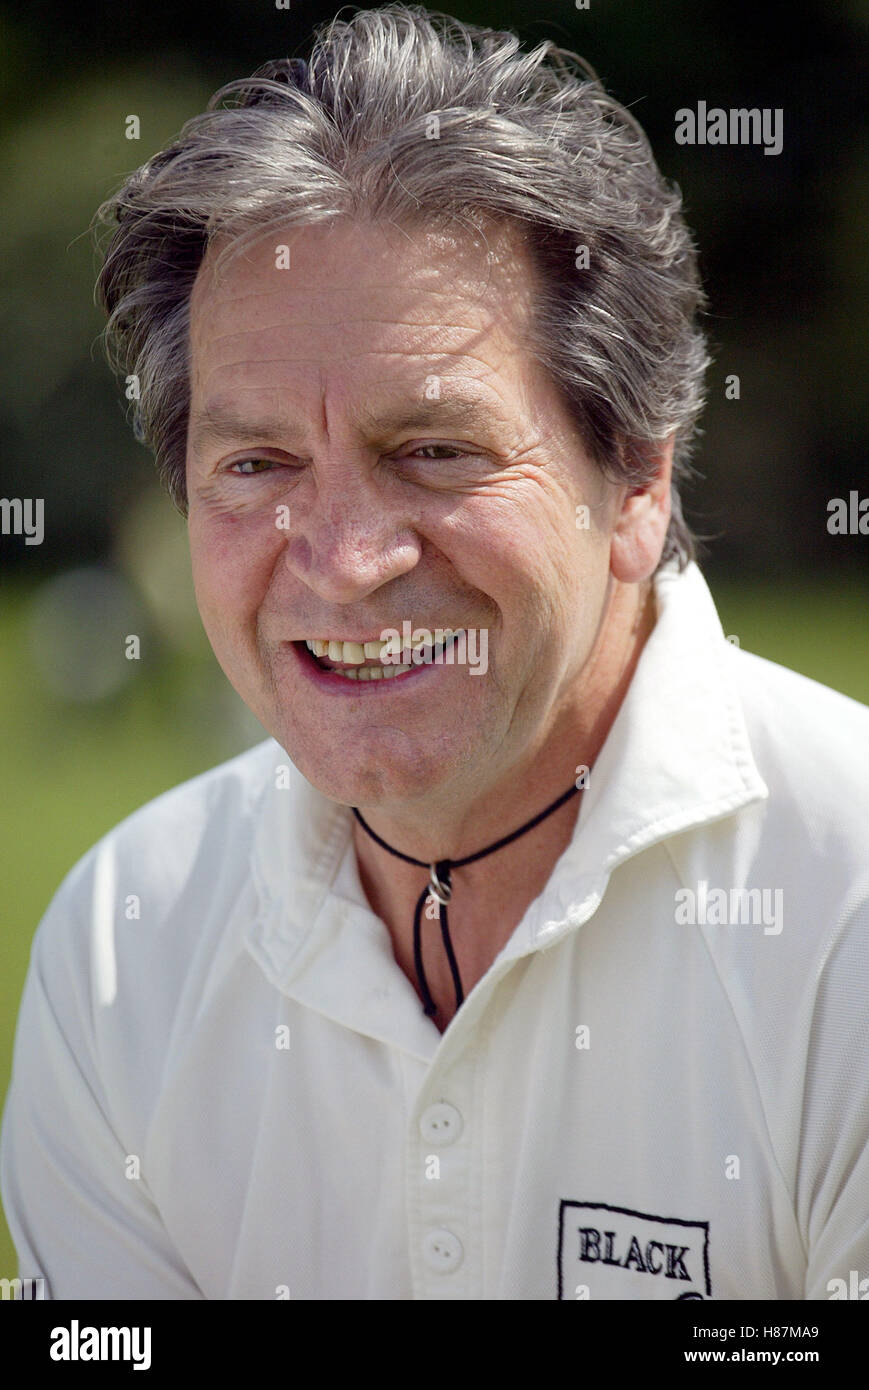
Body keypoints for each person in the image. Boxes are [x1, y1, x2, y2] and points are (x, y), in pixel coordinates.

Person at [2, 4, 867, 1301]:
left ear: (635, 480)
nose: (344, 559)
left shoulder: (844, 901)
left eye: (437, 452)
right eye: (256, 464)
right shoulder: (123, 945)